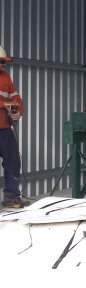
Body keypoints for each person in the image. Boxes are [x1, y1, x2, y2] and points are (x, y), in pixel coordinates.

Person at [0, 45, 25, 208]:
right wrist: (4, 104)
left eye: (5, 63)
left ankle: (11, 197)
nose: (4, 65)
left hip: (4, 129)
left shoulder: (6, 78)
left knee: (13, 162)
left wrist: (18, 112)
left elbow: (16, 98)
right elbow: (7, 101)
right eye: (1, 62)